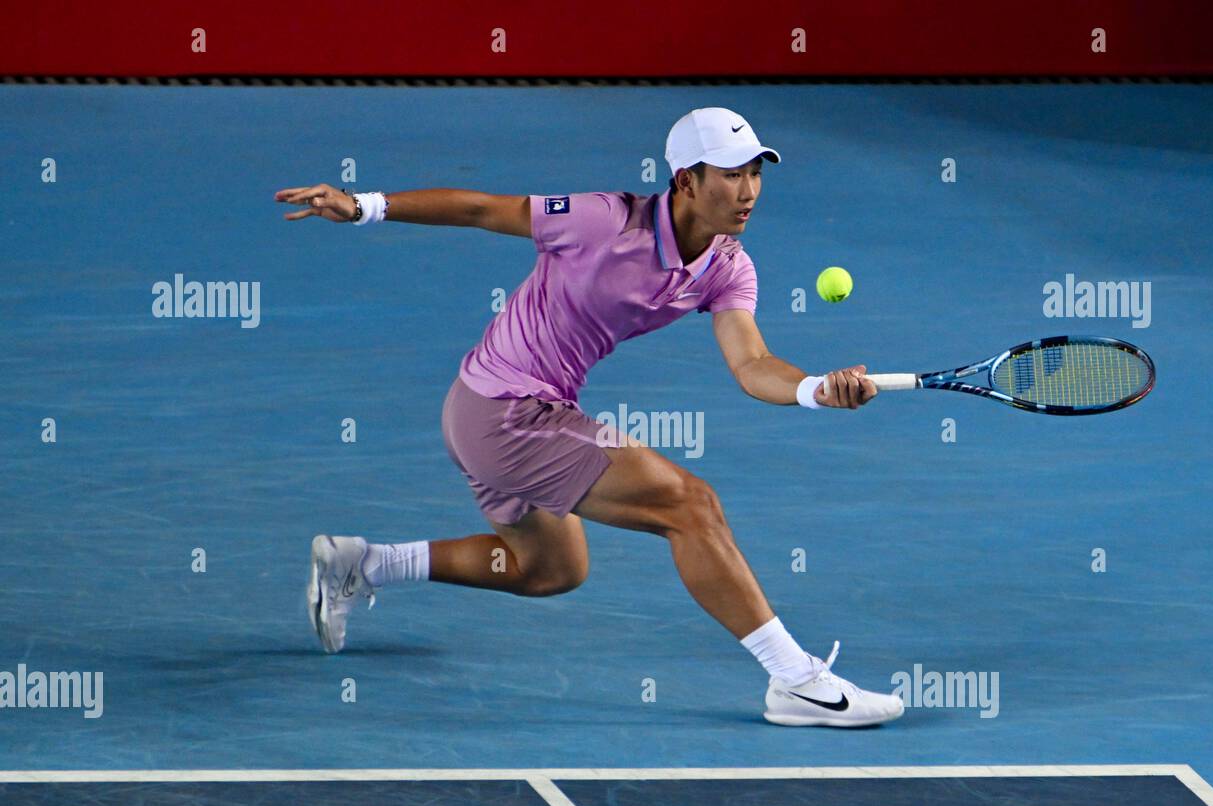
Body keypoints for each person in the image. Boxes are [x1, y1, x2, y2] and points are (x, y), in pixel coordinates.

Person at [275, 107, 903, 728]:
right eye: (731, 174)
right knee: (690, 506)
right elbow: (482, 209)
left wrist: (817, 389)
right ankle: (795, 680)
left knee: (550, 569)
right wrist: (364, 206)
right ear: (686, 179)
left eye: (756, 174)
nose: (748, 192)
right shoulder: (602, 218)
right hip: (504, 410)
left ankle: (362, 563)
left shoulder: (728, 265)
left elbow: (753, 363)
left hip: (508, 412)